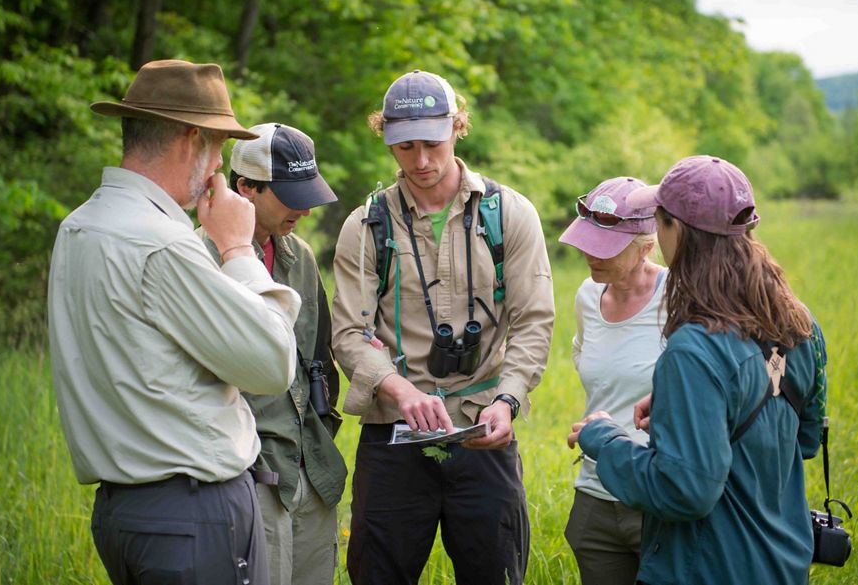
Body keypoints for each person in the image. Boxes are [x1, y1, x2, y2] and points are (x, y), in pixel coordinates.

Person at [48, 59, 301, 585]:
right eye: (217, 148)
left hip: (123, 513)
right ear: (192, 140)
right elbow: (273, 362)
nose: (217, 168)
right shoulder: (161, 243)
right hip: (192, 513)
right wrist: (236, 246)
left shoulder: (80, 227)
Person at [331, 69, 555, 585]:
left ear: (458, 126)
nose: (421, 161)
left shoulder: (510, 214)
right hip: (393, 435)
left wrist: (508, 401)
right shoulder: (366, 225)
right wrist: (400, 390)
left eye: (432, 143)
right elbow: (348, 334)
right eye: (404, 147)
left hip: (483, 433)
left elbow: (533, 322)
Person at [569, 155, 826, 585]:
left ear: (676, 231)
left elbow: (685, 490)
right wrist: (687, 412)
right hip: (781, 559)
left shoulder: (693, 348)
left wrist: (603, 438)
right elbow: (805, 438)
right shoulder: (799, 323)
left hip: (707, 565)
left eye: (660, 219)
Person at [198, 122, 347, 585]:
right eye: (289, 195)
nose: (304, 208)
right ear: (245, 187)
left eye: (308, 192)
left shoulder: (299, 256)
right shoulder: (195, 259)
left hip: (313, 470)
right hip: (248, 476)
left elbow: (320, 352)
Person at [558, 176, 666, 585]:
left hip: (655, 495)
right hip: (595, 495)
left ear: (647, 247)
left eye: (606, 246)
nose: (590, 254)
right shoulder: (588, 294)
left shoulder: (679, 297)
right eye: (587, 241)